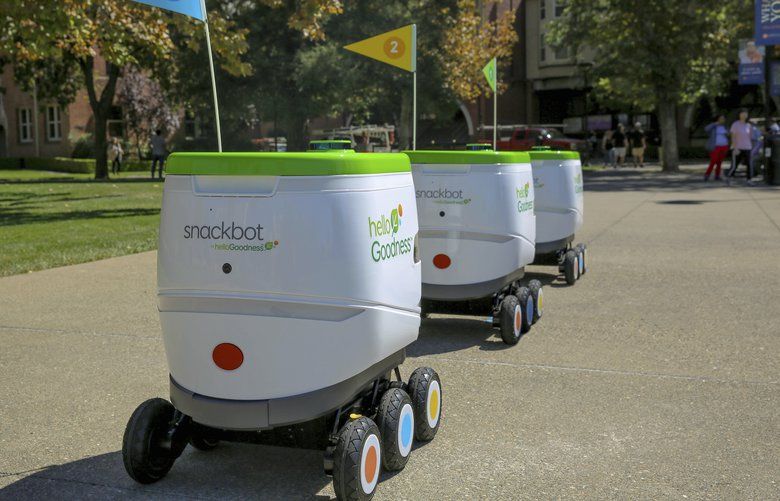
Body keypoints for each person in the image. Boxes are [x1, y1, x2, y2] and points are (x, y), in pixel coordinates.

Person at [726, 110, 755, 185]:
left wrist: (751, 147)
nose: (744, 115)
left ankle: (749, 179)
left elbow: (750, 137)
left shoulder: (749, 125)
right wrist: (735, 147)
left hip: (747, 147)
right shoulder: (735, 124)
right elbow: (733, 137)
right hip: (738, 147)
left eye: (745, 114)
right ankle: (730, 178)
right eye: (742, 113)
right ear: (739, 115)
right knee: (735, 165)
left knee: (749, 164)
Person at [704, 115, 729, 181]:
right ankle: (707, 174)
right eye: (721, 118)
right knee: (713, 161)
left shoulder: (725, 127)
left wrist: (727, 134)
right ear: (717, 119)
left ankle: (717, 175)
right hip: (716, 146)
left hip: (724, 146)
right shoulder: (714, 127)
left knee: (719, 162)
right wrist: (715, 124)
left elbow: (729, 134)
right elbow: (706, 129)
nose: (722, 120)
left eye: (723, 119)